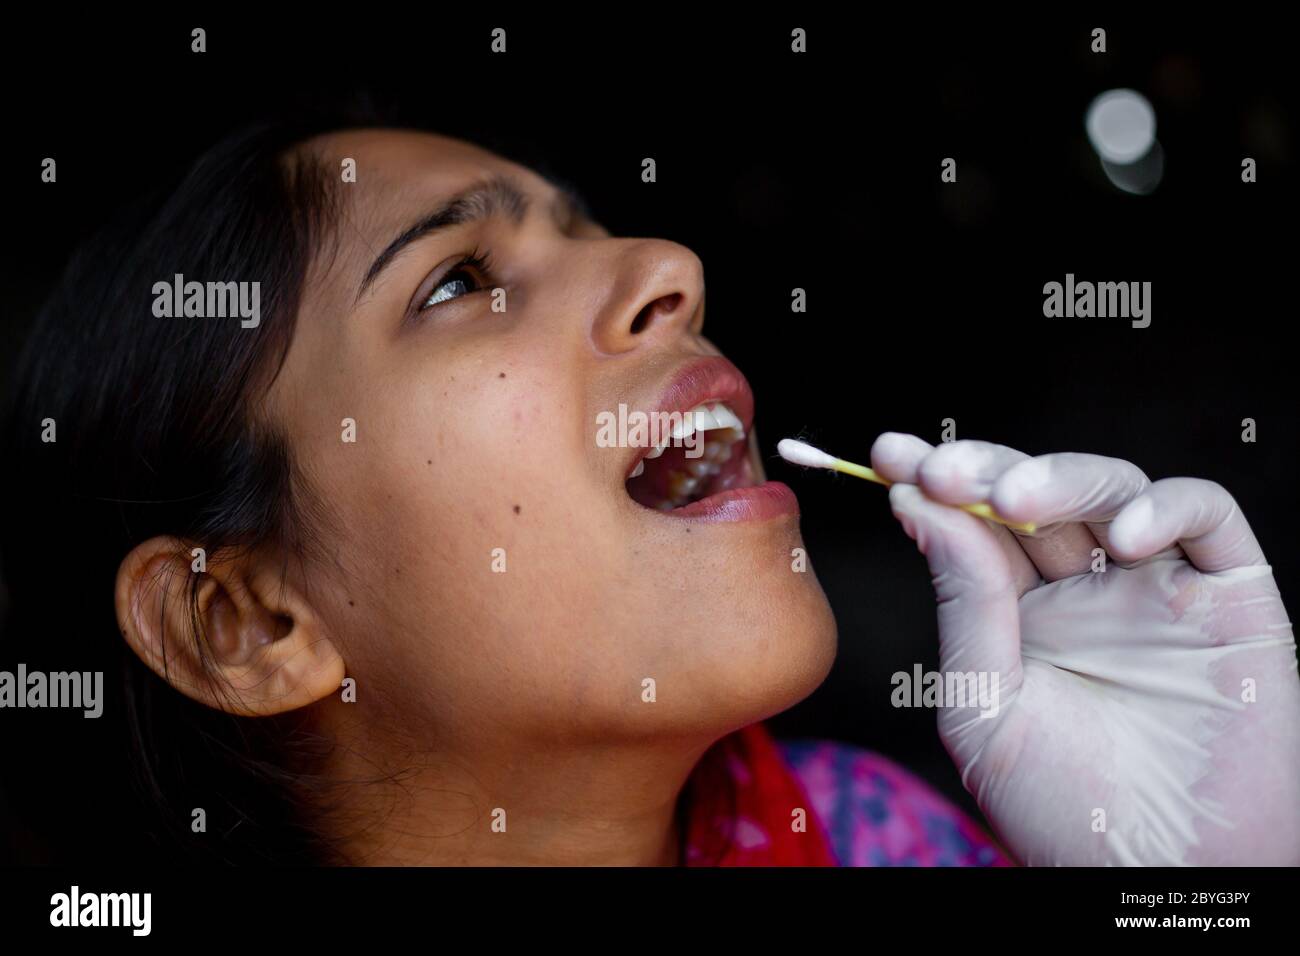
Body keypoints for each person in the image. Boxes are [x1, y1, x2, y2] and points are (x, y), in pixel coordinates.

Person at [2, 114, 1296, 866]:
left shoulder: (883, 841)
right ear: (247, 623)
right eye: (456, 282)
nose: (669, 264)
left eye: (588, 225)